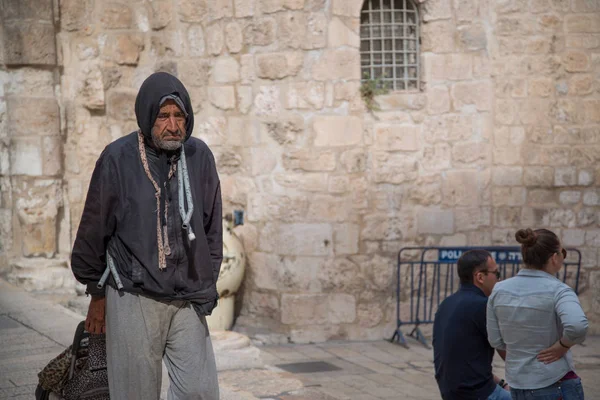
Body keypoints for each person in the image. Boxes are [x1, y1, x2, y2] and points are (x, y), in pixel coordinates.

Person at [70, 72, 222, 400]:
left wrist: (207, 282)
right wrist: (97, 295)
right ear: (146, 116)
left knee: (200, 392)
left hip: (187, 298)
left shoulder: (199, 157)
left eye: (179, 115)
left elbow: (212, 229)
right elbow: (93, 230)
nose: (172, 125)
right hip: (133, 296)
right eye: (163, 116)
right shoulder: (118, 158)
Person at [487, 228, 588, 400]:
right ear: (554, 257)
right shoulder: (559, 290)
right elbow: (577, 326)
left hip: (518, 385)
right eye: (562, 252)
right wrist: (562, 346)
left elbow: (495, 340)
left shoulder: (498, 290)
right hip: (556, 382)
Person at [433, 249, 511, 400]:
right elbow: (510, 357)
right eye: (497, 274)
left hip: (452, 393)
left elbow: (468, 364)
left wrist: (502, 384)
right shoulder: (482, 306)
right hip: (477, 394)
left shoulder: (446, 304)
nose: (499, 280)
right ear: (480, 277)